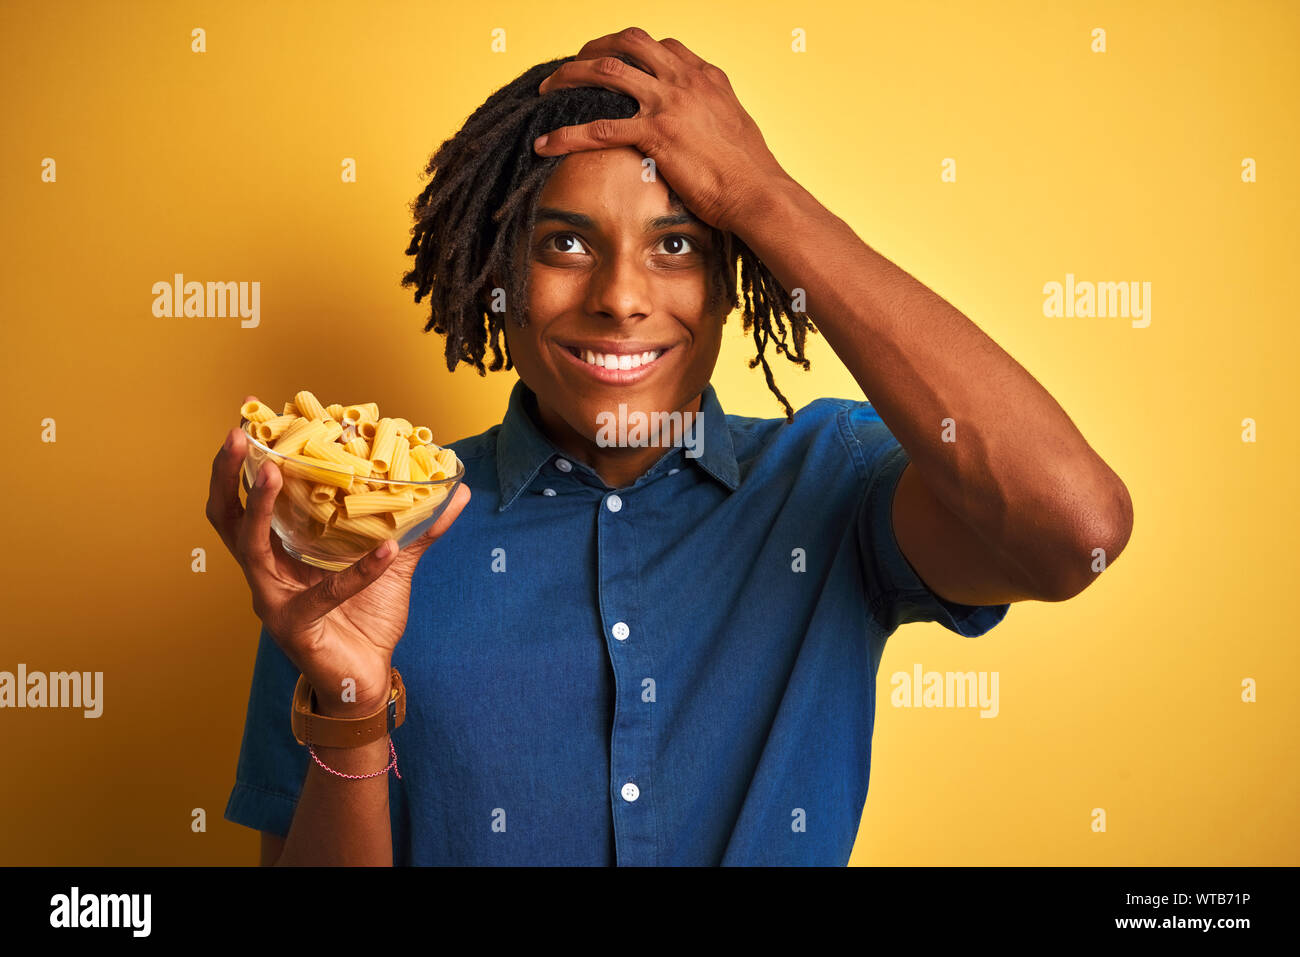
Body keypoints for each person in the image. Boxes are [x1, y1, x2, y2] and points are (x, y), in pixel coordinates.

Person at [209, 29, 1133, 866]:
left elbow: (1076, 526)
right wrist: (351, 714)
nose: (620, 296)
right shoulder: (364, 533)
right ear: (498, 278)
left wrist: (764, 197)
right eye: (566, 242)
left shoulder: (832, 488)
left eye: (679, 245)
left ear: (737, 281)